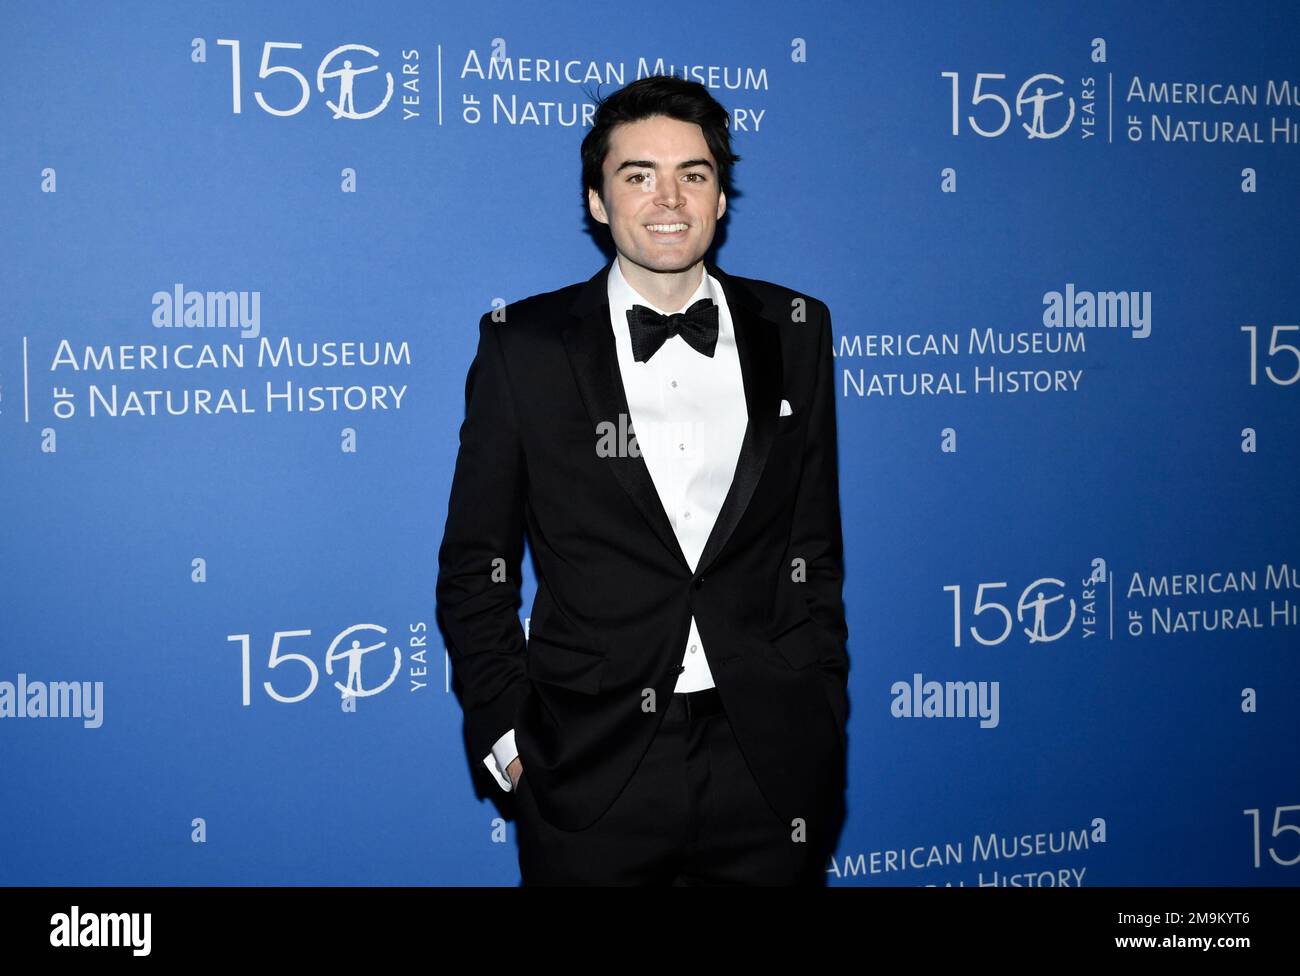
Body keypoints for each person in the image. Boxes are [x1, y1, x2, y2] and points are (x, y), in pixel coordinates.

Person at [435, 74, 849, 885]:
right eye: (638, 175)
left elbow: (815, 547)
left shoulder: (797, 330)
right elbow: (473, 570)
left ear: (721, 198)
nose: (670, 198)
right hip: (593, 766)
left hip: (767, 764)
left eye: (693, 174)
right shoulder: (524, 348)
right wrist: (514, 745)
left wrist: (821, 712)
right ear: (598, 200)